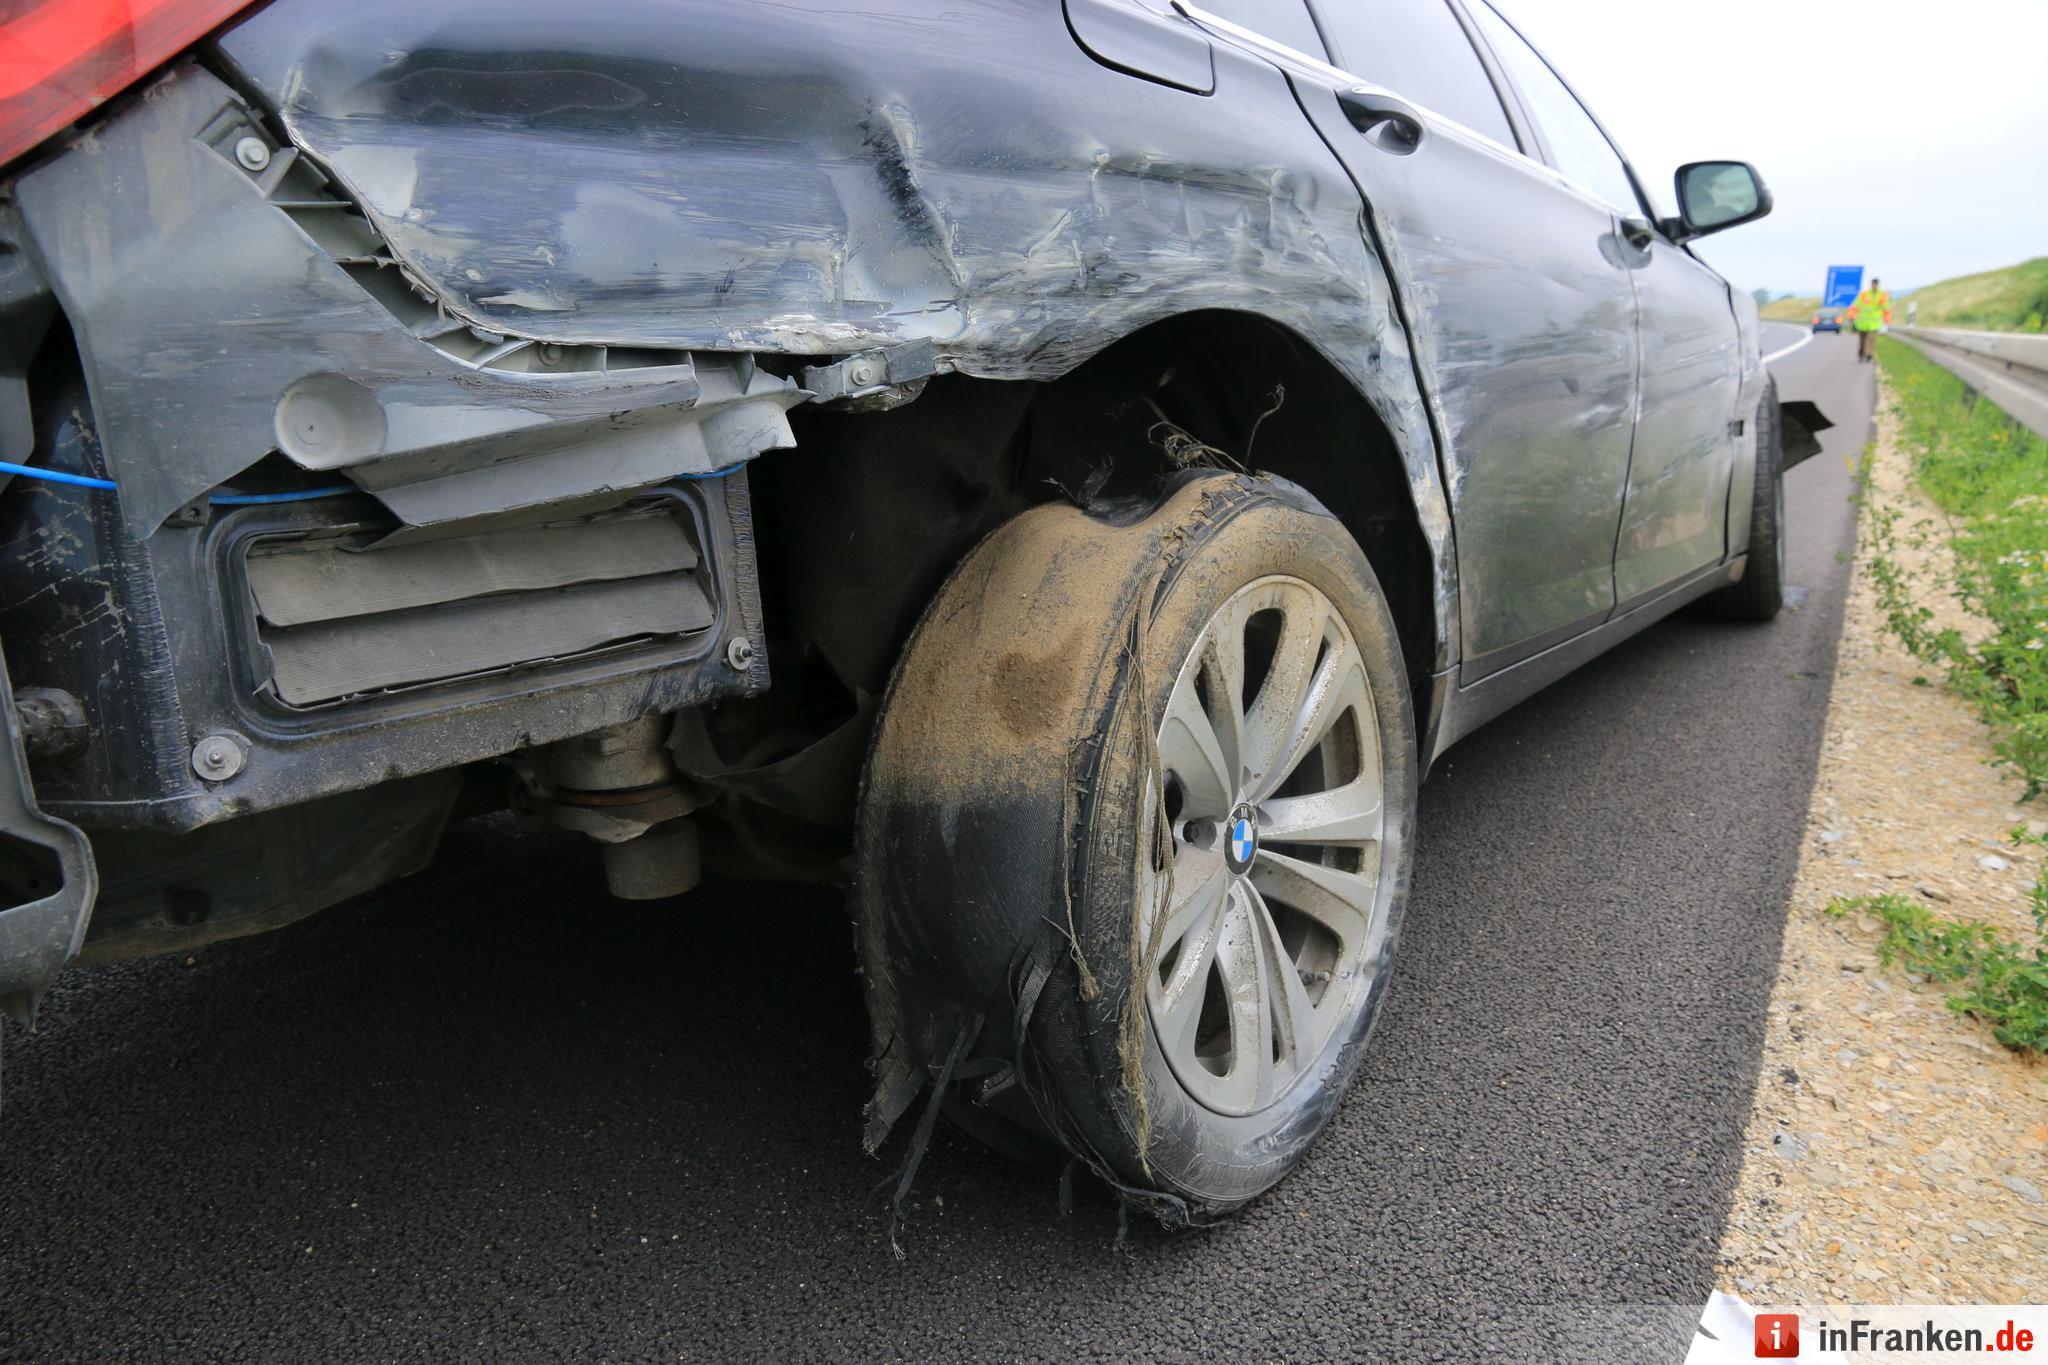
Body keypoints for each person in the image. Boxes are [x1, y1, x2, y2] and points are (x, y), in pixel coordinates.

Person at [1848, 277, 1891, 362]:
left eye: (1876, 284)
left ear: (1878, 284)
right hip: (1862, 322)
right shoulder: (1864, 294)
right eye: (1873, 284)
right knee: (1862, 341)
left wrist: (1886, 320)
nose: (1874, 286)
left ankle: (1869, 355)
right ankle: (1861, 354)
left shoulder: (1882, 295)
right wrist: (1851, 316)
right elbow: (1855, 305)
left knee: (1871, 339)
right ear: (1871, 284)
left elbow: (1886, 308)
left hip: (1874, 323)